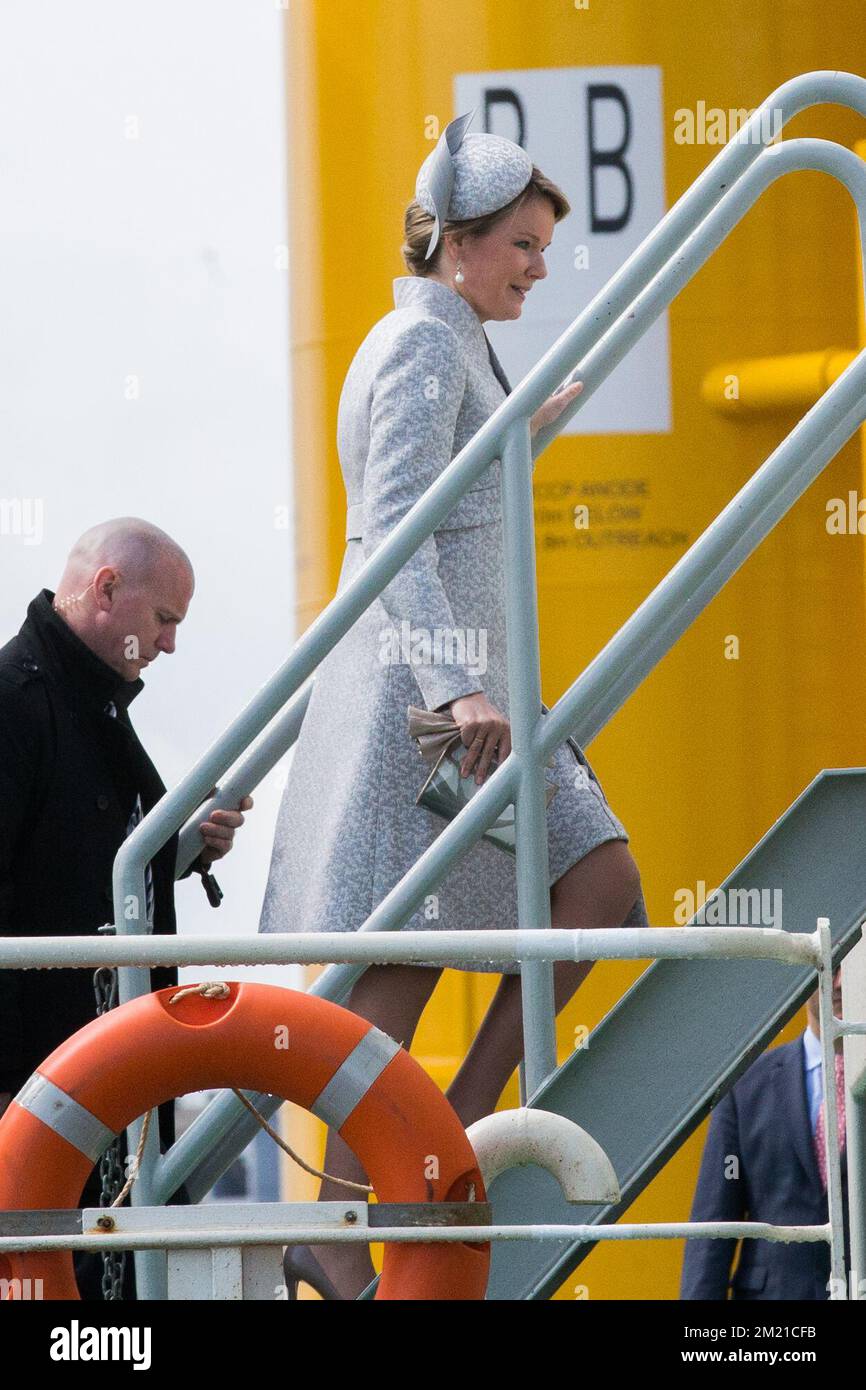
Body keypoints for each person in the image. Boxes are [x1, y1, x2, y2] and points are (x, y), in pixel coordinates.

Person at [260, 112, 649, 1300]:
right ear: (462, 244)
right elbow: (393, 532)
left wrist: (526, 425)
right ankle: (402, 1172)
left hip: (450, 690)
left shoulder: (440, 341)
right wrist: (457, 685)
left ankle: (419, 1155)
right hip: (436, 699)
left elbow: (445, 491)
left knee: (441, 944)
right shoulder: (428, 348)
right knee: (442, 947)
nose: (538, 267)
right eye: (523, 246)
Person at [0, 517, 253, 1298]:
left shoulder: (88, 706)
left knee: (126, 1273)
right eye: (165, 620)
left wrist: (180, 847)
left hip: (102, 1085)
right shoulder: (19, 702)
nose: (171, 645)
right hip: (43, 1090)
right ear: (108, 589)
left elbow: (83, 857)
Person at [680, 969, 850, 1300]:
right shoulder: (744, 1087)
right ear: (803, 972)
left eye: (854, 963)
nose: (840, 981)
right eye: (832, 966)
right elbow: (714, 1225)